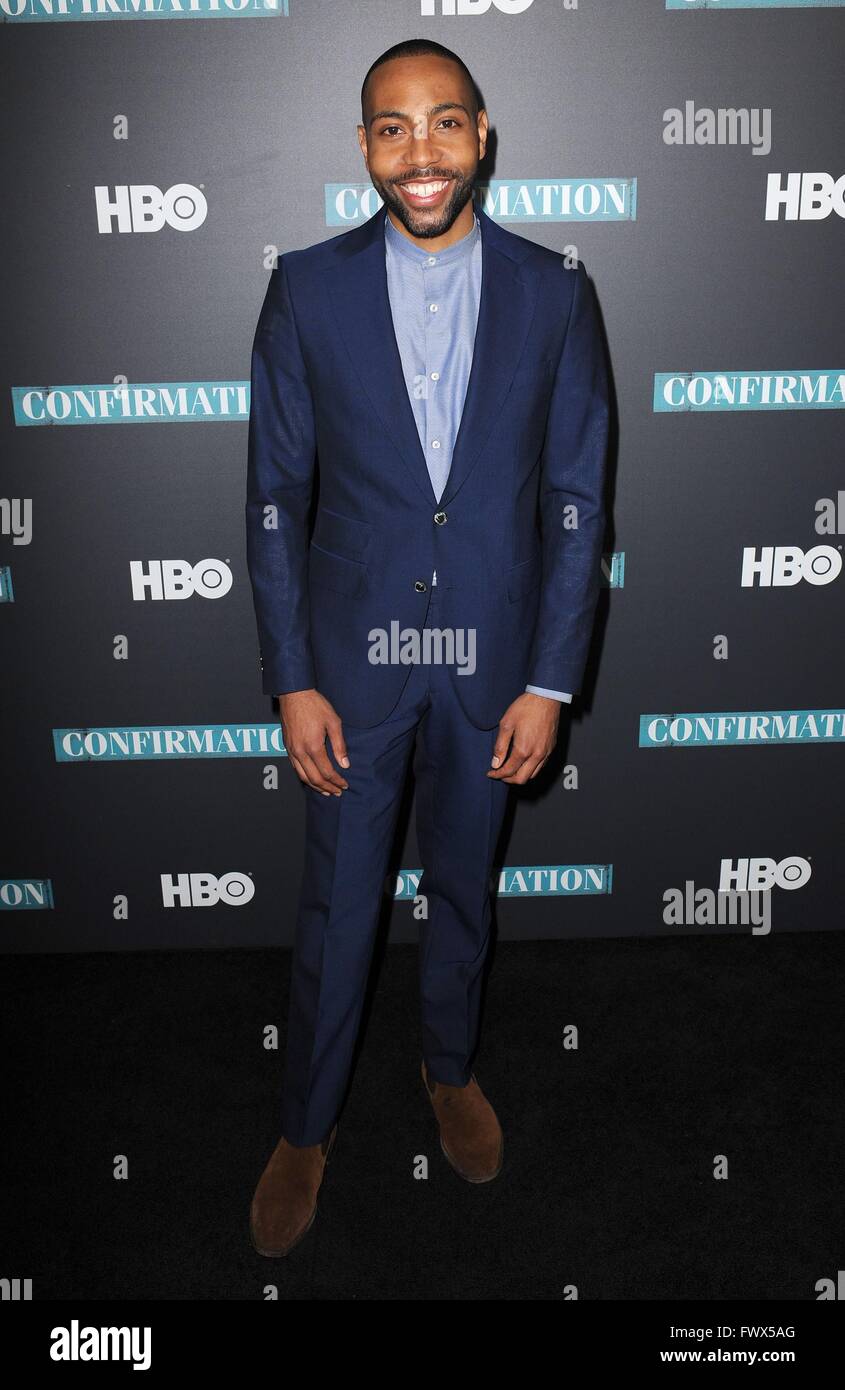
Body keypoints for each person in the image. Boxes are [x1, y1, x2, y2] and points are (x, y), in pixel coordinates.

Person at [245, 37, 609, 1256]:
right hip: (350, 668)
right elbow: (273, 500)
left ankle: (446, 1068)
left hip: (495, 667)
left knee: (463, 890)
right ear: (362, 146)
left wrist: (550, 677)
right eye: (392, 129)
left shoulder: (556, 292)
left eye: (442, 124)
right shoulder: (305, 288)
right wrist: (292, 674)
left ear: (482, 133)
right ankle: (306, 1124)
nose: (419, 154)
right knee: (337, 905)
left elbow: (574, 497)